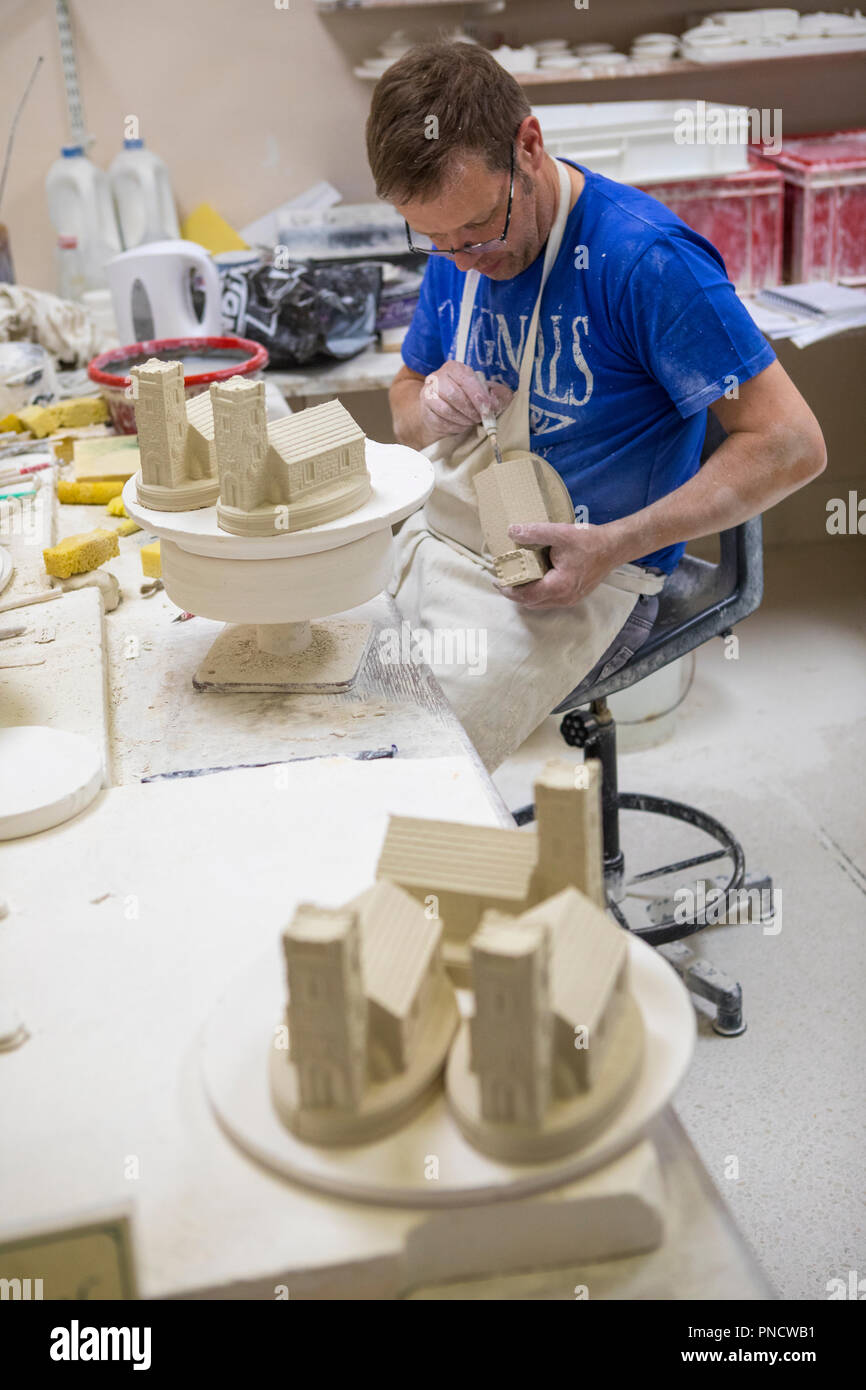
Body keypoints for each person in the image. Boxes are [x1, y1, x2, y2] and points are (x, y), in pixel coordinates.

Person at [365, 42, 826, 771]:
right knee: (331, 679)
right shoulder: (460, 250)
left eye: (480, 227)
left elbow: (793, 442)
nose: (462, 258)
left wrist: (617, 543)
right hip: (451, 541)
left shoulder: (644, 260)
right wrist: (429, 404)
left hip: (596, 575)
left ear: (529, 145)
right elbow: (403, 408)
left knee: (415, 753)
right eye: (435, 240)